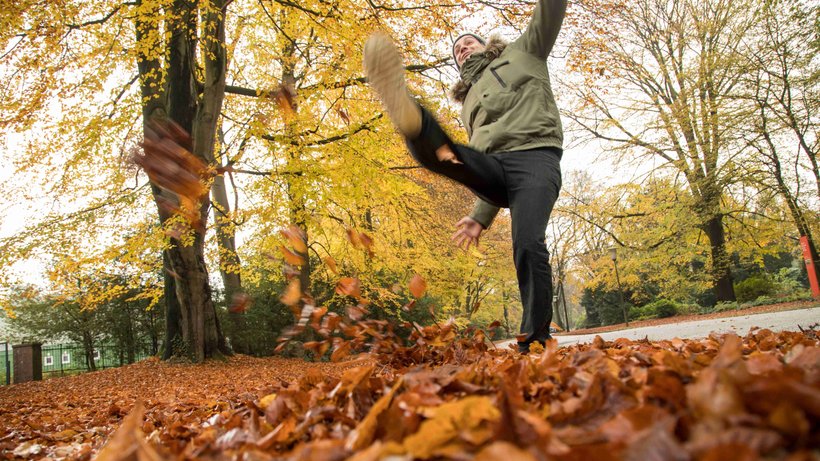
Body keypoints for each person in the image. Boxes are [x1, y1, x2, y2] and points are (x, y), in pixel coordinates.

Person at [363, 0, 566, 353]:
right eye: (456, 50)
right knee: (449, 154)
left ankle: (535, 339)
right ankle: (411, 117)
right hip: (493, 168)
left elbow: (549, 12)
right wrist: (479, 216)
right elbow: (481, 152)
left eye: (468, 42)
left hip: (535, 158)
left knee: (528, 244)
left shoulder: (525, 51)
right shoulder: (469, 99)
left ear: (486, 44)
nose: (462, 49)